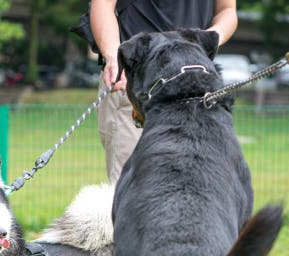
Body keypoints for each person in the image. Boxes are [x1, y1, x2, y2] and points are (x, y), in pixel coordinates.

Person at [91, 0, 238, 183]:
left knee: (203, 187)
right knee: (136, 192)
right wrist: (114, 56)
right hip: (134, 86)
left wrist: (208, 38)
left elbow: (227, 10)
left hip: (196, 87)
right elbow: (103, 5)